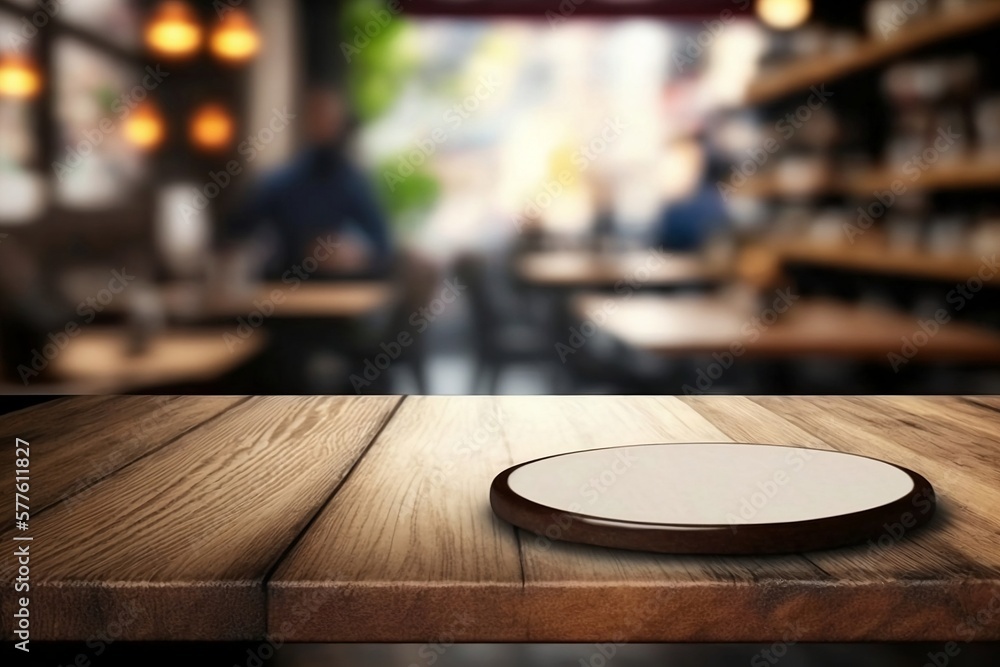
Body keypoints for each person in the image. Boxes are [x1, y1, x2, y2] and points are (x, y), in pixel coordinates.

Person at [224, 86, 393, 278]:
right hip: (288, 286)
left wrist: (355, 251)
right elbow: (238, 231)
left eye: (330, 118)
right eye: (316, 116)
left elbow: (382, 243)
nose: (323, 125)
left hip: (346, 287)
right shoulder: (280, 183)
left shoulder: (356, 183)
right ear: (304, 122)